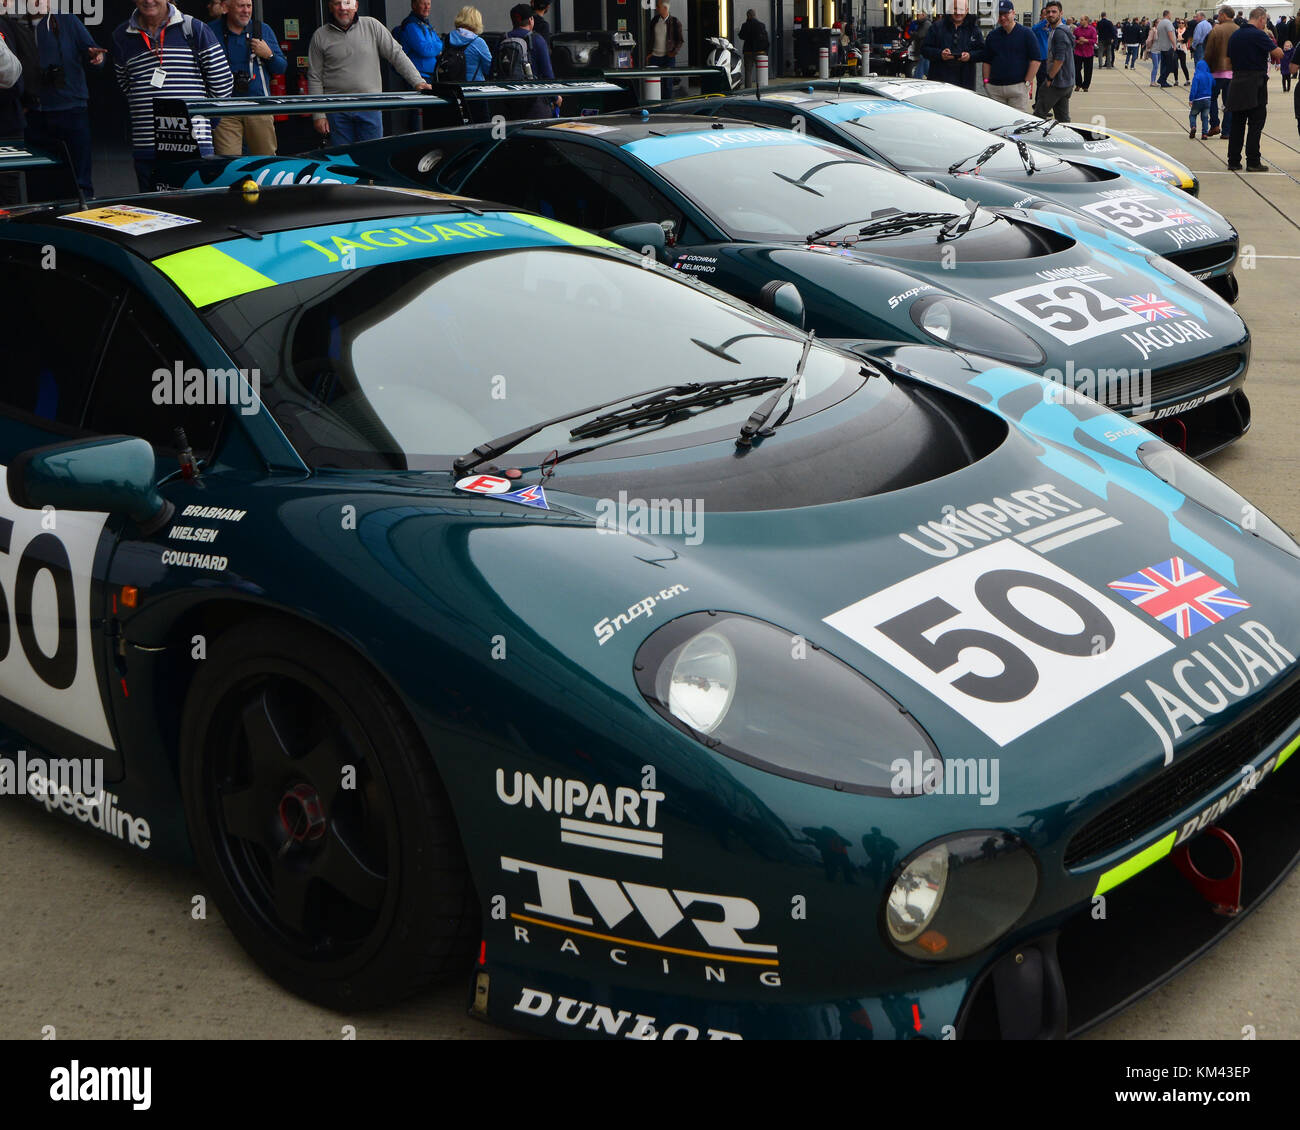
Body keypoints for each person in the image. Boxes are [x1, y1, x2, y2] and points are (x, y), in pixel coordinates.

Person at [112, 0, 232, 192]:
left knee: (197, 213)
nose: (149, 1)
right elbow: (127, 84)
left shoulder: (193, 28)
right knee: (154, 216)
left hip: (193, 148)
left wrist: (209, 120)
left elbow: (222, 80)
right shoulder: (121, 36)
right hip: (147, 149)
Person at [308, 0, 429, 145]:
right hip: (336, 110)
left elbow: (396, 54)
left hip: (370, 106)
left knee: (372, 158)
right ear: (330, 7)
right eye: (337, 3)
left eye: (347, 3)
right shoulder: (320, 36)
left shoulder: (372, 25)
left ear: (356, 6)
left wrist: (418, 81)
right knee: (342, 161)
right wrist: (318, 115)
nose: (342, 8)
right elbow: (314, 77)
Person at [19, 0, 105, 198]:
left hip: (71, 108)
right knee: (39, 181)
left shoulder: (67, 20)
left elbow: (93, 50)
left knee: (79, 180)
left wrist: (97, 57)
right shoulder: (18, 25)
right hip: (35, 113)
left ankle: (81, 217)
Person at [210, 0, 285, 156]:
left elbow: (281, 68)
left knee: (265, 161)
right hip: (224, 108)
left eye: (249, 6)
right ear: (226, 8)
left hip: (258, 106)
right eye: (240, 6)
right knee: (228, 164)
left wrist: (268, 55)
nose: (246, 10)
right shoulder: (211, 31)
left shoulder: (262, 30)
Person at [1226, 5, 1282, 171]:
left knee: (1237, 123)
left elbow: (1228, 61)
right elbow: (1279, 53)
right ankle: (1253, 161)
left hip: (1237, 81)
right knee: (1256, 123)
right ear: (1261, 19)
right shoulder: (1259, 35)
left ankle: (1234, 161)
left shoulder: (1235, 35)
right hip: (1255, 82)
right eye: (1265, 21)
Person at [981, 0, 1040, 112]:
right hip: (995, 89)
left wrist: (1027, 83)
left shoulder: (1027, 34)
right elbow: (986, 61)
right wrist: (986, 82)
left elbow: (1036, 60)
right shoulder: (992, 36)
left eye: (1005, 14)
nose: (1002, 17)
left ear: (1013, 13)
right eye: (999, 14)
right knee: (996, 124)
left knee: (1016, 124)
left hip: (1018, 88)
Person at [502, 3, 558, 119]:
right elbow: (547, 73)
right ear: (531, 20)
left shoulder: (503, 39)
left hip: (509, 102)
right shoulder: (537, 39)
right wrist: (555, 97)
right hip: (534, 103)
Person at [394, 0, 441, 132]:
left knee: (429, 114)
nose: (427, 7)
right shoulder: (411, 25)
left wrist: (436, 45)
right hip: (416, 77)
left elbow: (437, 43)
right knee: (416, 113)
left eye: (429, 4)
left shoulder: (426, 24)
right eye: (423, 3)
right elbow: (425, 49)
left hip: (430, 76)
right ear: (414, 5)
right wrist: (437, 46)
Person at [922, 0, 984, 89]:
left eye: (961, 9)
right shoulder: (937, 27)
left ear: (967, 10)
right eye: (955, 9)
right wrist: (940, 54)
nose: (958, 12)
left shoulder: (974, 29)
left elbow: (982, 52)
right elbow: (924, 49)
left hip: (965, 82)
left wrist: (970, 56)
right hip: (939, 81)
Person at [1033, 0, 1074, 121]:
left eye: (1054, 12)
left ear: (1061, 14)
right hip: (1065, 82)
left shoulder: (1059, 33)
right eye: (1048, 12)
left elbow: (1060, 60)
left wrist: (1049, 79)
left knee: (1038, 116)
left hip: (1057, 82)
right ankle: (1069, 138)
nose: (1050, 14)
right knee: (1063, 120)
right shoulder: (1056, 31)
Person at [1206, 7, 1237, 139]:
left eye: (1219, 14)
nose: (1217, 17)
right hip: (1232, 72)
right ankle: (1227, 131)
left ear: (1224, 15)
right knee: (1229, 102)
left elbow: (1209, 52)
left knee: (1212, 98)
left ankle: (1214, 124)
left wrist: (1206, 68)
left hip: (1217, 71)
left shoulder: (1216, 30)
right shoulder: (1238, 29)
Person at [442, 5, 491, 83]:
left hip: (451, 85)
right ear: (477, 21)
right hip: (474, 86)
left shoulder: (448, 38)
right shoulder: (478, 42)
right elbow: (489, 68)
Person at [647, 1, 682, 98]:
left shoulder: (675, 22)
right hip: (654, 57)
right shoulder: (654, 20)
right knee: (654, 84)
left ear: (665, 8)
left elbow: (680, 40)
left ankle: (666, 106)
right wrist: (649, 53)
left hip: (668, 57)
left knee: (667, 83)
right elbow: (650, 38)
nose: (656, 9)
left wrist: (673, 53)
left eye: (658, 6)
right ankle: (655, 105)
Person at [738, 8, 768, 88]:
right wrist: (765, 50)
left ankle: (748, 89)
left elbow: (741, 36)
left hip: (748, 52)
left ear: (747, 16)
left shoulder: (745, 25)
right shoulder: (761, 25)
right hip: (760, 52)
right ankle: (761, 87)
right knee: (761, 70)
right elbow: (765, 38)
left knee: (748, 71)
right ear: (754, 15)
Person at [1189, 55, 1213, 137]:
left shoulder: (1197, 76)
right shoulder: (1209, 75)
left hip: (1198, 99)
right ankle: (1204, 133)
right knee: (1205, 117)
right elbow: (1214, 84)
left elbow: (1194, 89)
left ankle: (1193, 126)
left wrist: (1191, 99)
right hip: (1208, 99)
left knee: (1193, 114)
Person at [1154, 9, 1177, 86]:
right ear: (1168, 14)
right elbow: (1170, 34)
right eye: (1170, 14)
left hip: (1162, 46)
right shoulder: (1168, 23)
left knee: (1164, 65)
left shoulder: (1160, 23)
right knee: (1169, 65)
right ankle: (1162, 79)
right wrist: (1174, 44)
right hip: (1168, 47)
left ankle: (1163, 80)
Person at [1074, 14, 1096, 91]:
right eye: (1080, 20)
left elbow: (1094, 40)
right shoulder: (1077, 30)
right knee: (1077, 69)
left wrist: (1086, 40)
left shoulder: (1092, 29)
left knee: (1088, 70)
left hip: (1088, 52)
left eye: (1082, 20)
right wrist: (1078, 41)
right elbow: (1073, 39)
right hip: (1078, 52)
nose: (1080, 21)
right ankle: (1078, 84)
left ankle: (1085, 86)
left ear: (1086, 21)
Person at [910, 13, 932, 78]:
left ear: (923, 15)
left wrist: (912, 33)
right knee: (925, 66)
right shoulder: (922, 23)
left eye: (918, 15)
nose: (917, 16)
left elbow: (920, 34)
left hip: (923, 48)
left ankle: (917, 78)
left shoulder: (926, 24)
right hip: (923, 48)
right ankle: (932, 77)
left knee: (921, 65)